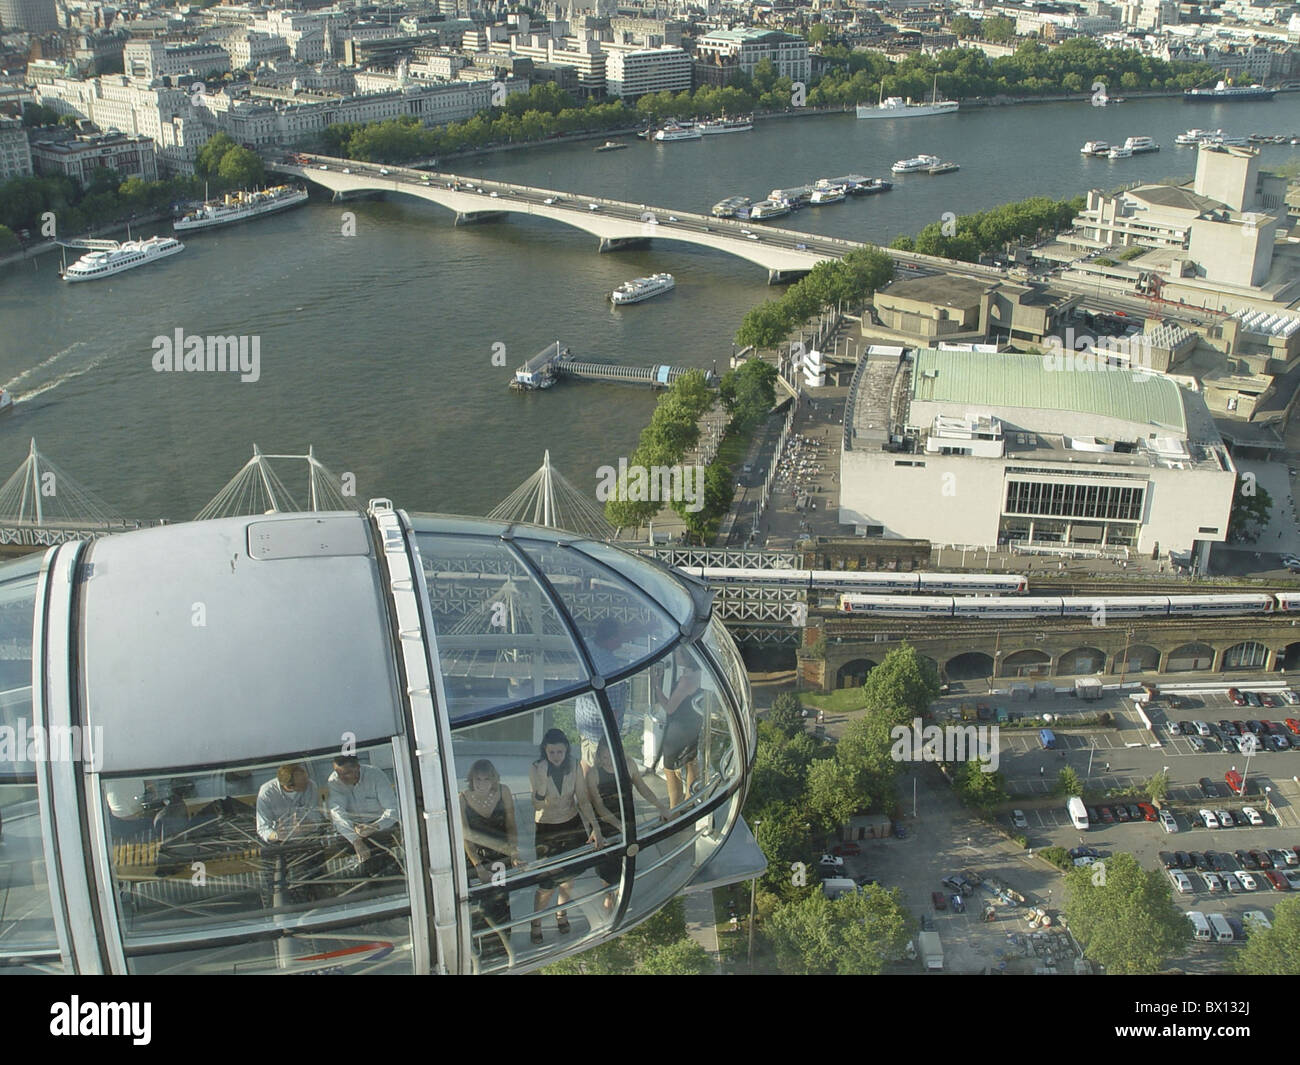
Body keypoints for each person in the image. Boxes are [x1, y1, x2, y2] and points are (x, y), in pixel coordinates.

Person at [529, 728, 601, 944]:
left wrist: (595, 827)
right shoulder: (536, 768)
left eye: (560, 752)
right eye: (551, 753)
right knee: (546, 885)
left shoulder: (575, 765)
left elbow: (583, 799)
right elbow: (537, 804)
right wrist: (542, 779)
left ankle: (562, 913)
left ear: (566, 750)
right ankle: (536, 921)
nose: (556, 757)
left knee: (569, 878)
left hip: (571, 824)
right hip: (547, 828)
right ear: (545, 751)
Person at [584, 737, 669, 912]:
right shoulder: (594, 774)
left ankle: (617, 891)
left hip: (625, 816)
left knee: (625, 856)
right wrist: (618, 825)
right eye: (605, 757)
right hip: (606, 820)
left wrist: (660, 806)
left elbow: (642, 787)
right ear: (599, 755)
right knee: (607, 863)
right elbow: (598, 805)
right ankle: (609, 893)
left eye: (612, 756)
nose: (608, 761)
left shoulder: (628, 765)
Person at [459, 759, 518, 960]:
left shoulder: (504, 791)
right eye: (478, 779)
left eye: (486, 779)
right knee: (479, 905)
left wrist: (514, 851)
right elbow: (465, 835)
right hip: (476, 857)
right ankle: (483, 949)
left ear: (493, 779)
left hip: (500, 854)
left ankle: (502, 948)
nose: (482, 783)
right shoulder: (463, 798)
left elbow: (511, 823)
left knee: (500, 900)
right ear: (471, 780)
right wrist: (477, 865)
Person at [257, 763, 329, 908]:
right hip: (276, 843)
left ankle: (320, 908)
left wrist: (308, 825)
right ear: (288, 786)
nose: (307, 784)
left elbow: (316, 814)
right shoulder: (266, 793)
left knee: (315, 876)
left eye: (307, 779)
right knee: (270, 883)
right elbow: (262, 828)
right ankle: (272, 916)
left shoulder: (311, 786)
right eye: (303, 783)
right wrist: (277, 835)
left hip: (305, 840)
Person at [327, 755, 401, 879]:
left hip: (380, 825)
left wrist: (375, 826)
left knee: (375, 845)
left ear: (357, 768)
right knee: (341, 842)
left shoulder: (375, 775)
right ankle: (383, 875)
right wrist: (356, 840)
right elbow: (337, 813)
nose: (341, 778)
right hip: (353, 827)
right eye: (338, 773)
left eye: (346, 774)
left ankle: (376, 877)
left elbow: (394, 810)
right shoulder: (334, 781)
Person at [652, 648, 704, 810]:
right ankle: (690, 801)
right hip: (693, 726)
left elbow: (669, 708)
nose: (675, 655)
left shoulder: (685, 681)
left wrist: (656, 686)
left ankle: (674, 809)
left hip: (678, 730)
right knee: (690, 762)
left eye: (678, 654)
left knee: (670, 769)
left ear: (687, 657)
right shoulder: (699, 674)